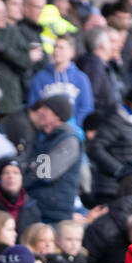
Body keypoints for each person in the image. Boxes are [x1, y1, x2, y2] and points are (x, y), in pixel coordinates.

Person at [25, 95, 82, 225]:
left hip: (54, 214)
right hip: (39, 207)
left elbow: (45, 173)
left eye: (45, 108)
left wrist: (28, 171)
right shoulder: (44, 137)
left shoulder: (69, 140)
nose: (39, 111)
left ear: (57, 115)